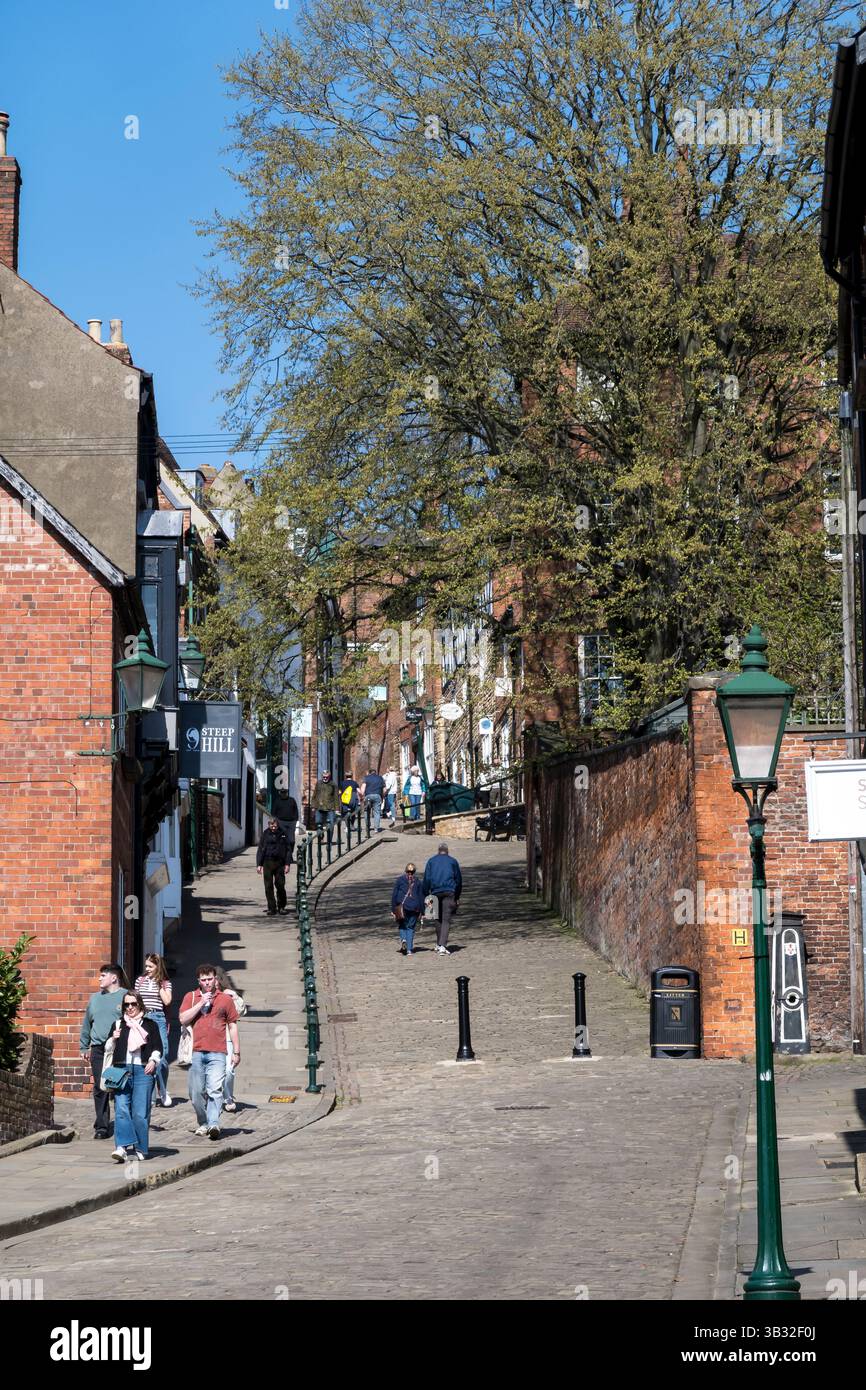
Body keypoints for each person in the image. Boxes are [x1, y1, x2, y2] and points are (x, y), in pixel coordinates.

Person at [179, 965, 240, 1141]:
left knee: (215, 1090)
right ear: (198, 981)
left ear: (215, 979)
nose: (207, 983)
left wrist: (236, 1051)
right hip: (195, 1052)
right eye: (203, 980)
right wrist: (200, 1003)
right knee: (196, 1093)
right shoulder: (190, 997)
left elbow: (233, 1025)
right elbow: (183, 1019)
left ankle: (214, 1123)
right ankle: (203, 1122)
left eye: (210, 979)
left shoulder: (225, 999)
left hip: (218, 1052)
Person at [108, 990, 162, 1162]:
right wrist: (113, 1039)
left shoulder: (150, 1024)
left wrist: (153, 1061)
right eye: (126, 1004)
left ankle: (140, 1147)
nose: (130, 1007)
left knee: (140, 1112)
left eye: (133, 1004)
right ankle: (122, 1147)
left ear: (140, 1004)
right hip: (121, 1070)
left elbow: (157, 1047)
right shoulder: (118, 1024)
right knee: (121, 1109)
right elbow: (108, 1049)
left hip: (142, 1070)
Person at [79, 963, 127, 1139]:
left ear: (114, 978)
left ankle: (124, 1122)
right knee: (101, 1087)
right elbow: (87, 1023)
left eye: (103, 975)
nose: (99, 978)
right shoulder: (95, 999)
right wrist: (84, 1046)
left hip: (120, 1048)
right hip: (99, 1049)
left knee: (120, 1086)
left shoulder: (125, 996)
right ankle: (102, 1126)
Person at [134, 954, 173, 1107]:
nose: (147, 969)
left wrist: (158, 984)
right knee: (146, 1055)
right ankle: (150, 1096)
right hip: (144, 1018)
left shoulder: (165, 983)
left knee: (162, 1057)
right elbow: (136, 1000)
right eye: (146, 966)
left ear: (157, 967)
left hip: (158, 1017)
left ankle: (162, 1089)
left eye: (150, 966)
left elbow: (167, 1001)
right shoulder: (140, 981)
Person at [215, 967, 246, 1114]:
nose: (212, 982)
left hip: (226, 1038)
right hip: (210, 1039)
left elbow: (241, 1012)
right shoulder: (203, 995)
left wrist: (234, 996)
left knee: (228, 1071)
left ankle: (228, 1098)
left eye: (215, 979)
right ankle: (215, 1097)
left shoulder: (227, 995)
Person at [422, 842, 463, 955]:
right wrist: (457, 896)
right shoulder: (453, 861)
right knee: (446, 919)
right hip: (449, 891)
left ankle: (439, 943)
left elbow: (426, 879)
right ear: (447, 851)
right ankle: (442, 946)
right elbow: (458, 880)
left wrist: (426, 895)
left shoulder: (431, 861)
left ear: (438, 851)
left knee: (437, 918)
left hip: (435, 892)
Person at [256, 816, 291, 915]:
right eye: (271, 826)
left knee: (280, 885)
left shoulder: (283, 834)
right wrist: (259, 864)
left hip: (279, 863)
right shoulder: (265, 834)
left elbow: (288, 850)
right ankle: (271, 907)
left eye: (275, 826)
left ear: (277, 824)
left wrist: (287, 864)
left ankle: (282, 906)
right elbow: (260, 850)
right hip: (267, 862)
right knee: (268, 886)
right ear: (268, 825)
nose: (273, 828)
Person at [390, 861, 425, 955]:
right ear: (414, 872)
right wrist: (423, 911)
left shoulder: (400, 880)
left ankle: (404, 939)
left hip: (402, 907)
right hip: (415, 907)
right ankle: (409, 949)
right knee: (410, 928)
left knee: (402, 925)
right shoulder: (418, 882)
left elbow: (394, 895)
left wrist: (393, 909)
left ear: (406, 871)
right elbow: (421, 897)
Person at [311, 770, 340, 841]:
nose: (325, 778)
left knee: (331, 825)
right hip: (319, 807)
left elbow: (336, 797)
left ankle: (329, 840)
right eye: (324, 777)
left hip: (330, 808)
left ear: (329, 777)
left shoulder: (333, 785)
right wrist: (313, 806)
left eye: (326, 777)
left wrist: (337, 809)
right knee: (318, 823)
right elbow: (315, 795)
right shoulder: (319, 783)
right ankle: (320, 835)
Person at [272, 792, 299, 862]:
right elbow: (273, 812)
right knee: (282, 840)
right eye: (282, 793)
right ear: (280, 793)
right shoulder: (277, 801)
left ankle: (289, 855)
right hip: (281, 822)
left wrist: (295, 820)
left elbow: (296, 811)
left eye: (285, 793)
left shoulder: (292, 800)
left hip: (291, 823)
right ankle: (283, 856)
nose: (283, 794)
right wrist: (276, 822)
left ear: (287, 793)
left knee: (291, 841)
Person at [360, 767, 386, 832]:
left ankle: (368, 826)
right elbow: (385, 790)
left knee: (366, 811)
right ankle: (376, 828)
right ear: (375, 772)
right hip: (377, 796)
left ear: (369, 772)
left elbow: (362, 789)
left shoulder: (366, 778)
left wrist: (361, 797)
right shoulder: (380, 778)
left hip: (368, 796)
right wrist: (382, 796)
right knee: (377, 812)